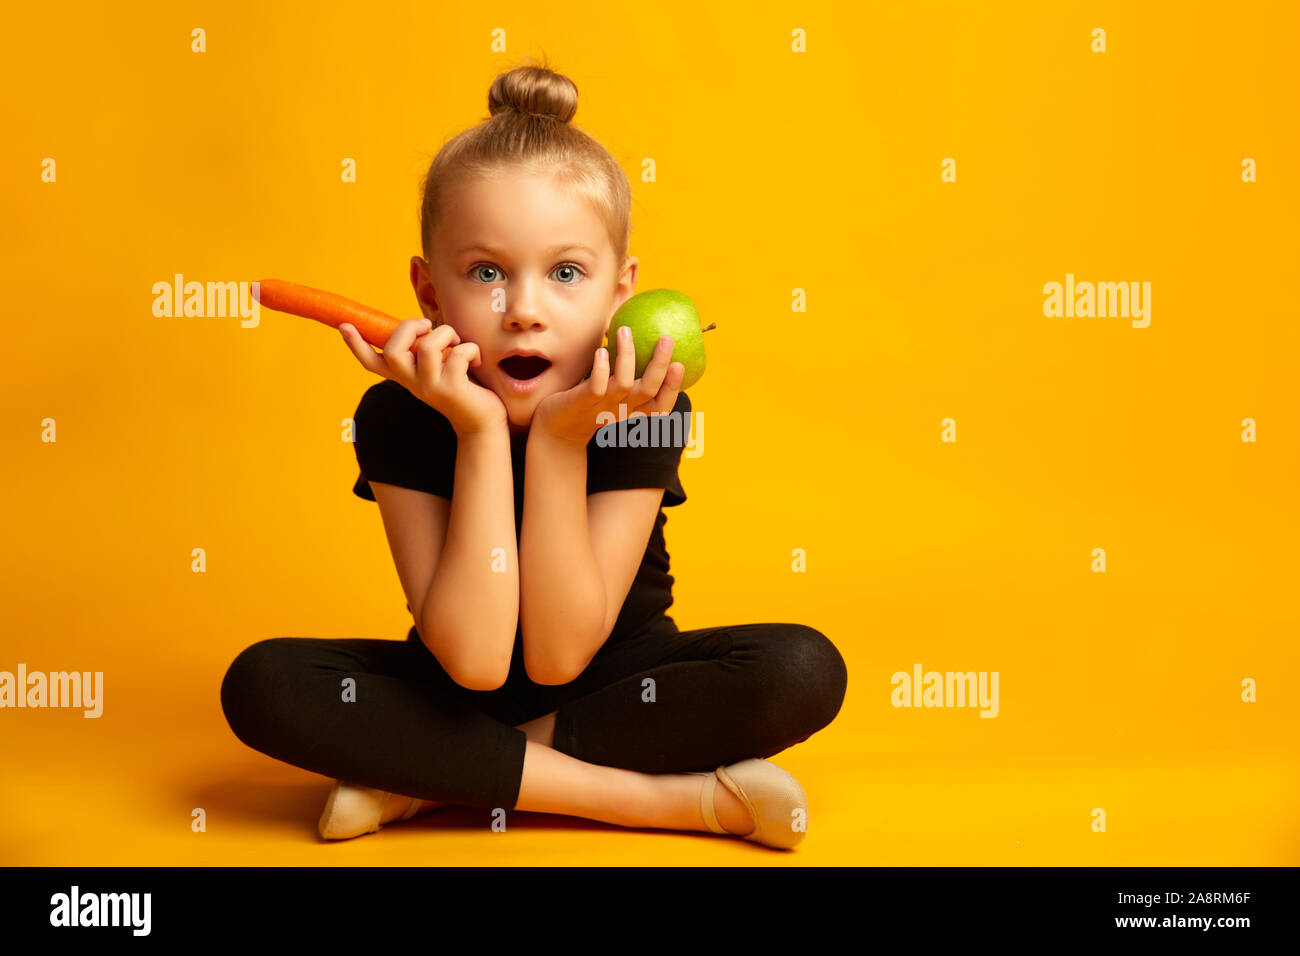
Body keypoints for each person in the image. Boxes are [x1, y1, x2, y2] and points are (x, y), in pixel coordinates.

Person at [220, 57, 848, 850]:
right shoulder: (397, 415)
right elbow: (478, 662)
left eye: (565, 273)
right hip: (452, 688)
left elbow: (558, 655)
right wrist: (480, 432)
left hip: (618, 690)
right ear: (427, 294)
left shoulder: (645, 410)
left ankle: (425, 779)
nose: (523, 310)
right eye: (486, 272)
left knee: (799, 667)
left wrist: (559, 440)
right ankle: (672, 803)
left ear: (620, 292)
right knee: (264, 684)